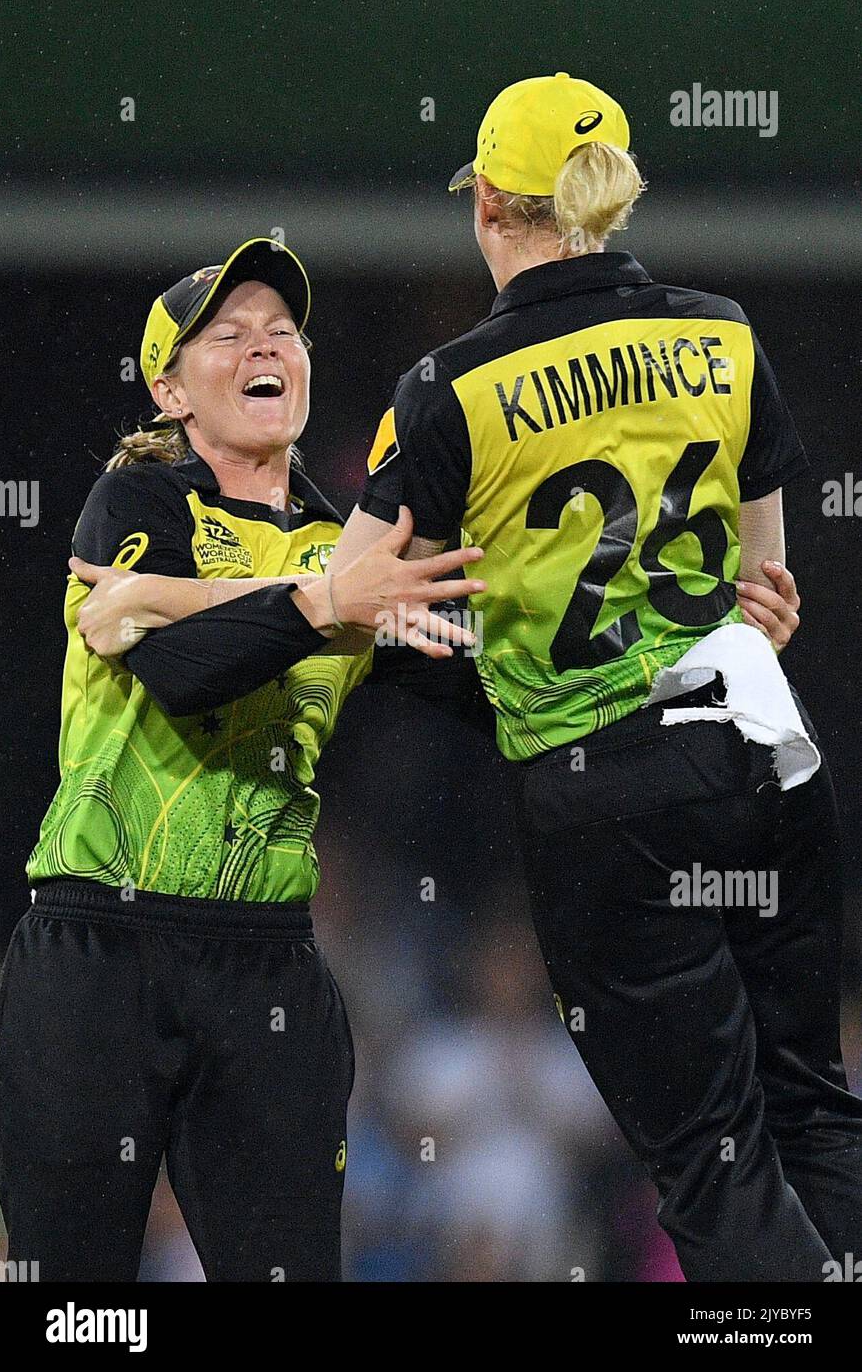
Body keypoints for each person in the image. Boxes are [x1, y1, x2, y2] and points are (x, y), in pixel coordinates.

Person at [321, 75, 862, 1281]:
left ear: (487, 207)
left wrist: (475, 662)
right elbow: (764, 594)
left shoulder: (447, 388)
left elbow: (352, 605)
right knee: (811, 1104)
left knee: (712, 1163)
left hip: (603, 792)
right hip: (764, 749)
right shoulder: (722, 332)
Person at [0, 237, 485, 1283]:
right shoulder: (136, 506)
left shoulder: (346, 552)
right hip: (96, 951)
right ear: (169, 388)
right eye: (230, 334)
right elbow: (183, 673)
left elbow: (491, 690)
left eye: (283, 332)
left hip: (265, 963)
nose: (267, 346)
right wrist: (322, 605)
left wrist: (691, 631)